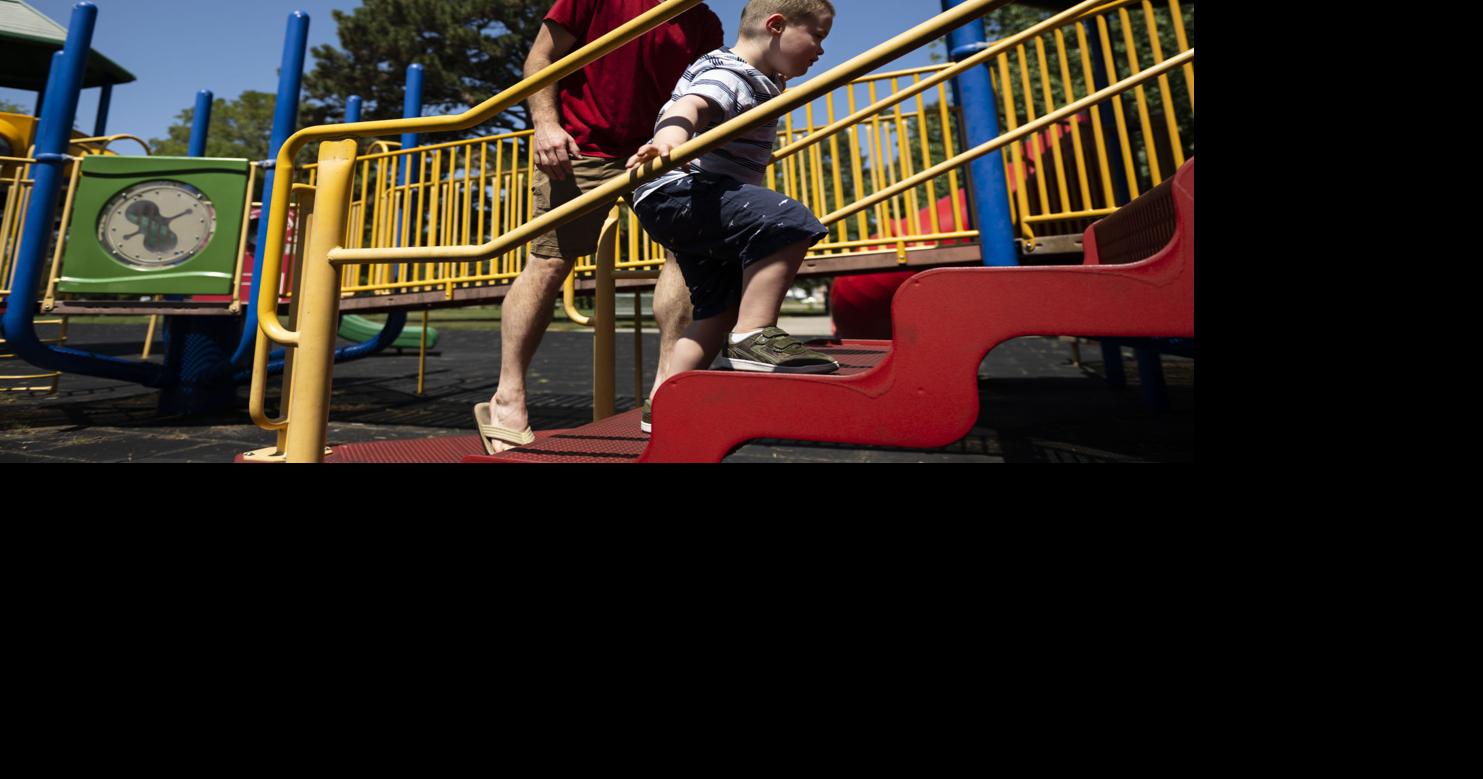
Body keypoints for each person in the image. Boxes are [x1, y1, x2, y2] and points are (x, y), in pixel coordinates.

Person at [475, 0, 725, 454]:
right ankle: (506, 396)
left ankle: (666, 389)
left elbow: (707, 89)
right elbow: (541, 55)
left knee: (687, 255)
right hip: (579, 143)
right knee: (549, 262)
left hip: (657, 149)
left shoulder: (702, 19)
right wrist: (545, 124)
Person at [626, 0, 839, 434]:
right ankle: (753, 335)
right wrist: (668, 139)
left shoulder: (762, 79)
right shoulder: (732, 71)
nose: (820, 50)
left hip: (685, 202)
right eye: (817, 35)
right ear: (776, 26)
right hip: (681, 191)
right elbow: (692, 105)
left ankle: (664, 401)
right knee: (787, 220)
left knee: (717, 311)